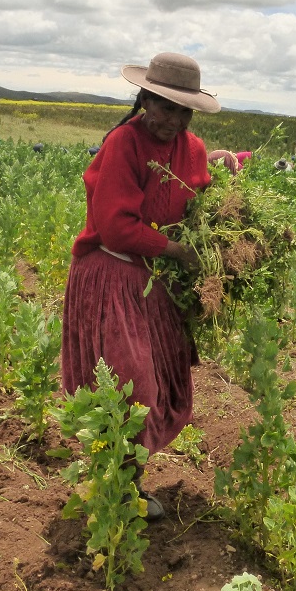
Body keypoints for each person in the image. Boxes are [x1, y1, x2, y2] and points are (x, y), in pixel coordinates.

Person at [61, 51, 228, 522]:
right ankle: (118, 486)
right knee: (128, 383)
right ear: (145, 99)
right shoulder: (124, 143)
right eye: (163, 106)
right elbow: (115, 227)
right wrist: (176, 250)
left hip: (155, 284)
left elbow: (199, 203)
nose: (171, 120)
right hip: (113, 274)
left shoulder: (192, 150)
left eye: (182, 110)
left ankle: (123, 479)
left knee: (156, 380)